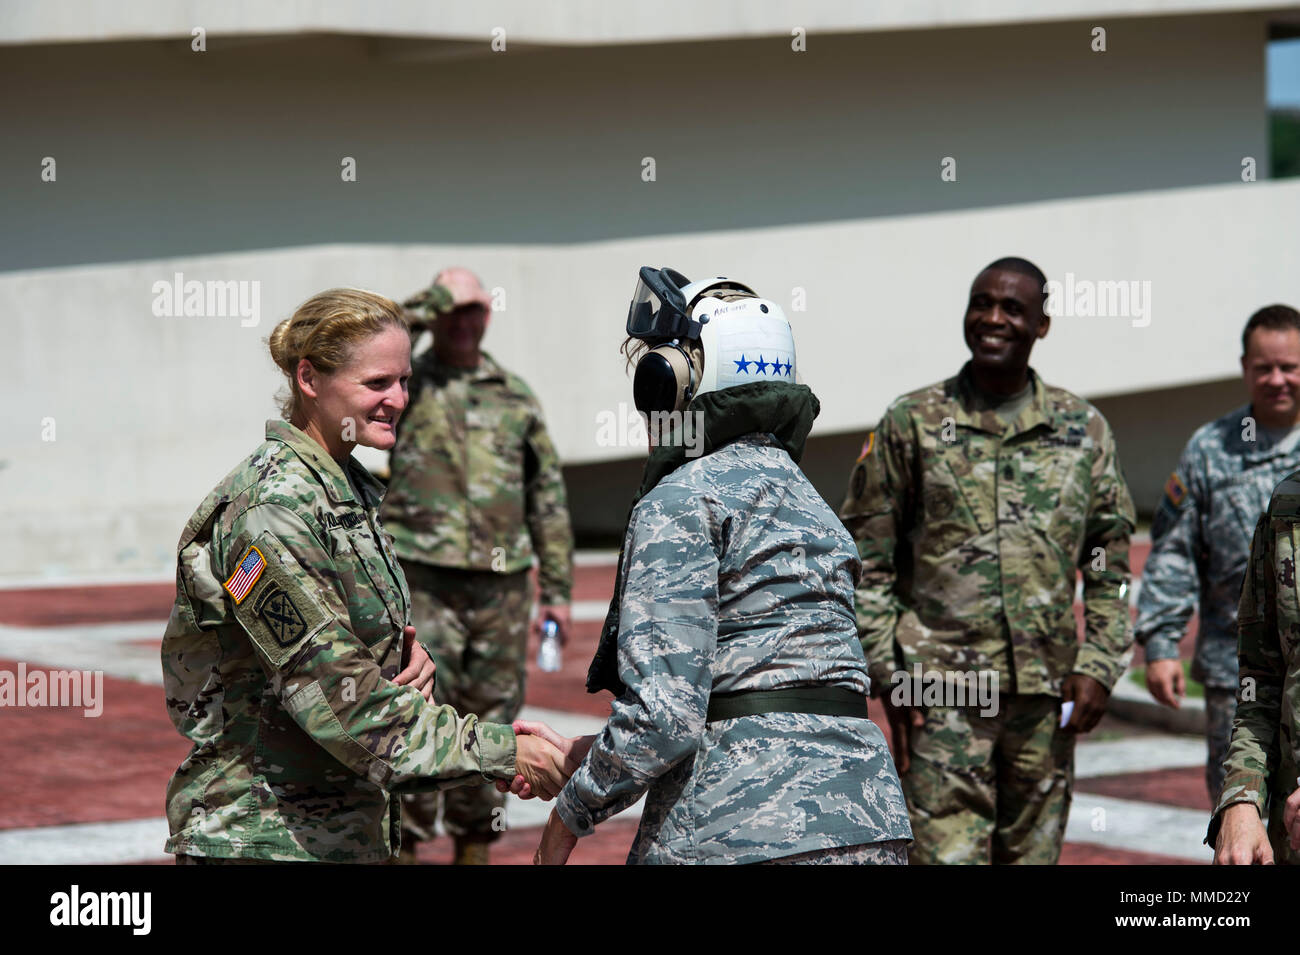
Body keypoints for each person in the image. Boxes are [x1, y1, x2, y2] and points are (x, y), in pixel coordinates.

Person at [161, 288, 571, 864]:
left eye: (404, 381)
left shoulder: (345, 490)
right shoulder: (272, 512)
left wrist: (397, 657)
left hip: (334, 831)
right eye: (377, 383)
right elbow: (337, 699)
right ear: (309, 378)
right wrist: (504, 752)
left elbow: (341, 651)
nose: (398, 399)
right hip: (265, 838)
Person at [518, 267, 912, 865]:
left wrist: (567, 818)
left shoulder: (680, 500)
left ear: (679, 382)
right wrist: (589, 756)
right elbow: (761, 691)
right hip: (867, 822)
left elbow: (666, 720)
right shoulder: (813, 506)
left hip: (738, 830)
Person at [838, 257, 1136, 865]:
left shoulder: (1083, 430)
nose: (993, 318)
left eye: (1012, 308)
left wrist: (1100, 663)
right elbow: (866, 558)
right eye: (981, 304)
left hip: (1044, 700)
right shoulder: (914, 421)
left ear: (1042, 325)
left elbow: (1107, 559)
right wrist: (888, 672)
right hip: (941, 695)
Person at [380, 267, 574, 865]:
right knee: (414, 713)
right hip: (422, 580)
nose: (464, 322)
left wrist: (558, 591)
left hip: (500, 591)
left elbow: (546, 494)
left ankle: (474, 851)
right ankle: (407, 849)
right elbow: (385, 332)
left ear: (489, 316)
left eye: (475, 310)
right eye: (452, 310)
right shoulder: (407, 386)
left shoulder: (513, 394)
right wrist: (433, 302)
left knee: (492, 719)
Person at [1136, 305, 1300, 807]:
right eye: (1264, 368)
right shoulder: (1211, 449)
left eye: (1289, 366)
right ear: (1244, 367)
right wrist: (1161, 643)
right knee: (1239, 811)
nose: (1277, 379)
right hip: (1237, 675)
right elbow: (1174, 551)